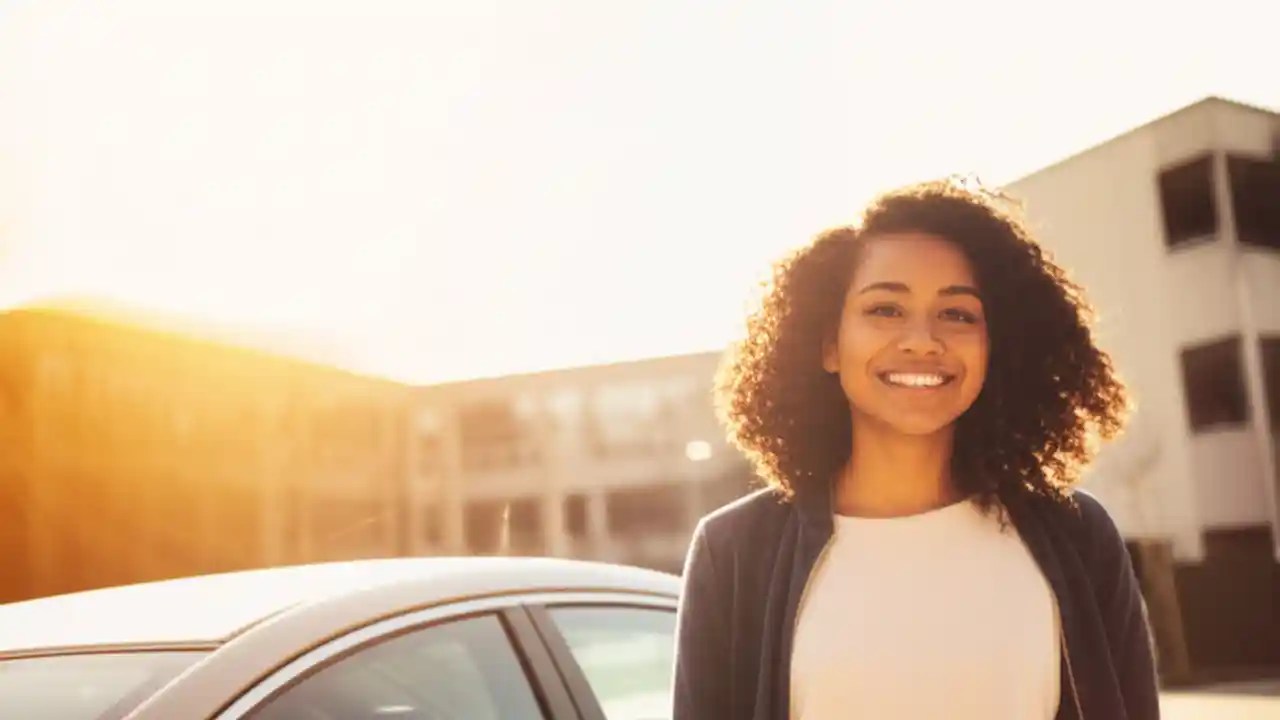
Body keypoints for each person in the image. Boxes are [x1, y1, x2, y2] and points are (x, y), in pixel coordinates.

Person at [672, 178, 1160, 720]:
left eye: (958, 314)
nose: (924, 339)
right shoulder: (737, 550)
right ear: (829, 344)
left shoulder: (1078, 535)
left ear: (996, 347)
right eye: (885, 309)